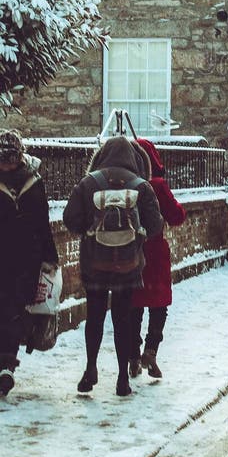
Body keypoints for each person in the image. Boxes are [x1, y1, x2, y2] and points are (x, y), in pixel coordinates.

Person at [63, 136, 163, 397]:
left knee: (95, 317)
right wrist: (136, 234)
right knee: (122, 319)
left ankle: (90, 369)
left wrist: (89, 231)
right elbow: (155, 226)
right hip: (128, 265)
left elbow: (69, 219)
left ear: (102, 156)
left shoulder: (88, 183)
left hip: (94, 263)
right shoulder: (141, 186)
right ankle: (122, 379)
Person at [0, 130, 59, 397]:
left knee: (14, 308)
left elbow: (42, 222)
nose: (6, 164)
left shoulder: (33, 182)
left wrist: (50, 257)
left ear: (19, 157)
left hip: (26, 258)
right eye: (3, 160)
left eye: (10, 159)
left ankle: (7, 364)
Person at [128, 138, 186, 381]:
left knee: (133, 305)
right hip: (154, 253)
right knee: (158, 304)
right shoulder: (157, 186)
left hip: (130, 252)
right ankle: (151, 350)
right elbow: (177, 216)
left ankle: (132, 355)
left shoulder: (125, 184)